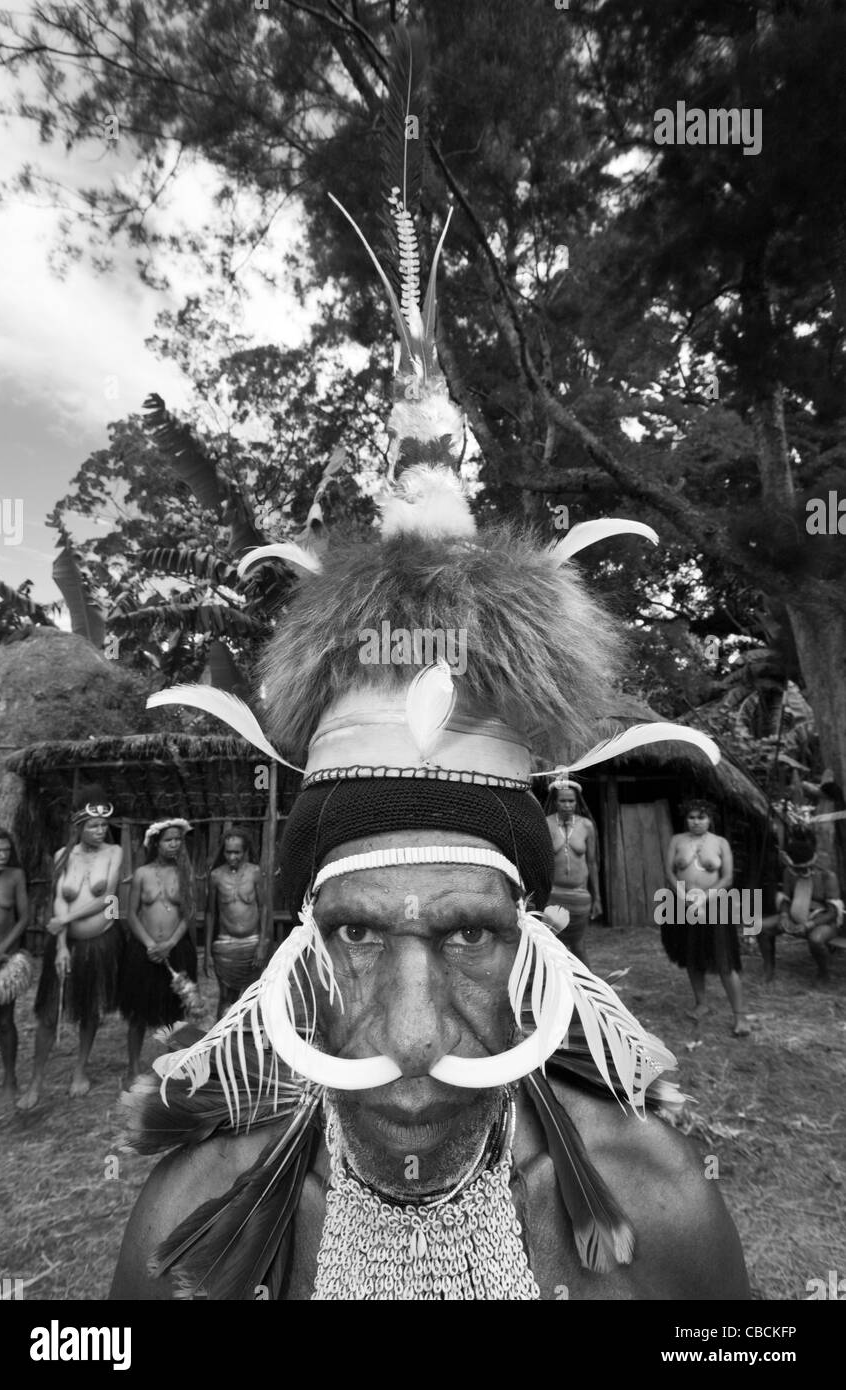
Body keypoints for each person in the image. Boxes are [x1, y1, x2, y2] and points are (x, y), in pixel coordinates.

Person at [109, 83, 748, 1300]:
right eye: (354, 931)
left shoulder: (660, 1214)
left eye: (467, 932)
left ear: (539, 954)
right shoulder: (191, 1237)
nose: (410, 1040)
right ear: (296, 954)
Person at [17, 789, 123, 1110]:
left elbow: (110, 901)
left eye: (103, 825)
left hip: (100, 943)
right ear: (78, 826)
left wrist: (67, 918)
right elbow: (59, 899)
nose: (100, 830)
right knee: (50, 1012)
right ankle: (36, 1080)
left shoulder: (114, 852)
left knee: (90, 1009)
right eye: (93, 825)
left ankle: (80, 1069)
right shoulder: (63, 854)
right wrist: (61, 945)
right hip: (65, 943)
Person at [661, 800, 750, 1037]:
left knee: (724, 960)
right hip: (683, 903)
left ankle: (739, 1016)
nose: (696, 821)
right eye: (691, 817)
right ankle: (701, 1003)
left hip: (714, 904)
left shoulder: (720, 843)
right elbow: (669, 871)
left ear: (710, 819)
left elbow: (727, 879)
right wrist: (682, 896)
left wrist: (703, 900)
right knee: (692, 955)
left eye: (701, 817)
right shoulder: (677, 840)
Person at [121, 819, 199, 1083]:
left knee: (174, 1012)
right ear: (156, 843)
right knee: (138, 1012)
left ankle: (170, 1065)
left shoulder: (185, 873)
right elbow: (131, 914)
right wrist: (149, 944)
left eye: (178, 839)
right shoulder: (141, 873)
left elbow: (189, 913)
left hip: (176, 949)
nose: (174, 844)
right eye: (168, 839)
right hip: (144, 951)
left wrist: (170, 943)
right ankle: (132, 1067)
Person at [0, 828, 30, 1103]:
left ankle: (10, 1079)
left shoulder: (15, 877)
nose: (3, 855)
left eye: (6, 850)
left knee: (5, 1021)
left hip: (4, 962)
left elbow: (23, 918)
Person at [757, 827, 843, 984]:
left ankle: (823, 974)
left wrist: (809, 924)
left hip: (822, 920)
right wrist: (784, 915)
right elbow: (785, 898)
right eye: (794, 868)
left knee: (816, 939)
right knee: (759, 927)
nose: (796, 871)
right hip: (794, 915)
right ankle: (768, 968)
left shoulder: (827, 876)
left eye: (800, 868)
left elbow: (832, 912)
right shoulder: (790, 872)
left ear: (810, 864)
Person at [205, 828, 270, 1019]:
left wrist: (262, 944)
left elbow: (265, 908)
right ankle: (222, 1045)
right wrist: (208, 952)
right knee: (226, 998)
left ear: (245, 851)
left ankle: (253, 1045)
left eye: (237, 852)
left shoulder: (255, 873)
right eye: (228, 852)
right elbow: (211, 914)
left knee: (255, 998)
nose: (232, 856)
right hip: (226, 945)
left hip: (253, 944)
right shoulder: (216, 876)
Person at [543, 778, 601, 967]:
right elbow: (540, 863)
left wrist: (597, 898)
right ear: (555, 802)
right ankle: (556, 991)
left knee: (578, 946)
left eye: (571, 801)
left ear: (577, 802)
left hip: (579, 895)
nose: (567, 805)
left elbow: (592, 863)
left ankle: (588, 991)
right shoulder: (546, 824)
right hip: (553, 894)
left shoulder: (586, 826)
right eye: (563, 801)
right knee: (552, 946)